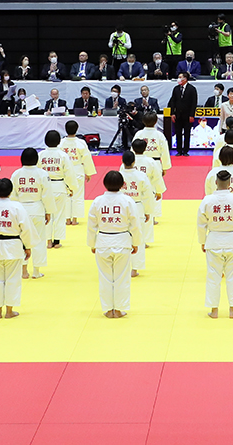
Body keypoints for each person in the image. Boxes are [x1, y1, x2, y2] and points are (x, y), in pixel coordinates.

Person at [0, 178, 38, 319]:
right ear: (11, 191)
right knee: (12, 279)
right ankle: (9, 311)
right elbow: (26, 229)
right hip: (13, 246)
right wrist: (28, 246)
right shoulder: (17, 207)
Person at [88, 170, 143, 318]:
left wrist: (92, 243)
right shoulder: (128, 201)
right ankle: (118, 309)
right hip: (122, 242)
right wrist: (136, 242)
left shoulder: (97, 201)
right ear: (122, 184)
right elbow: (135, 225)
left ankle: (107, 309)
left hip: (103, 242)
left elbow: (91, 225)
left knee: (105, 278)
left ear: (104, 184)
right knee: (121, 277)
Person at [199, 169, 233, 319]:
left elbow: (201, 224)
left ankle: (214, 310)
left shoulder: (207, 201)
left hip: (213, 240)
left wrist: (202, 241)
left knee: (213, 276)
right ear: (229, 184)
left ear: (216, 183)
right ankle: (232, 310)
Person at [12, 148, 57, 279]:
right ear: (37, 160)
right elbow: (47, 195)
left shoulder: (16, 174)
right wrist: (48, 211)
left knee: (21, 240)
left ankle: (24, 270)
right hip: (37, 209)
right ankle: (36, 271)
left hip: (20, 210)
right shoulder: (42, 174)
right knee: (39, 240)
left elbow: (13, 194)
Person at [38, 130, 73, 248]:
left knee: (46, 214)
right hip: (59, 187)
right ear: (59, 142)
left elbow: (36, 172)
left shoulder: (41, 155)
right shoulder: (63, 155)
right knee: (59, 215)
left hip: (45, 188)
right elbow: (69, 173)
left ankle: (48, 241)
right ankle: (57, 241)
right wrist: (71, 187)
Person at [60, 119, 98, 224]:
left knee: (66, 195)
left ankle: (67, 219)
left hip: (64, 171)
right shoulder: (81, 143)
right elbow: (86, 158)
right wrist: (88, 172)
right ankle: (75, 219)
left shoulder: (61, 143)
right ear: (76, 130)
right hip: (77, 170)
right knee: (77, 195)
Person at [169, 72, 198, 156]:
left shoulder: (192, 89)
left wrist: (192, 115)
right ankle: (179, 150)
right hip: (178, 115)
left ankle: (185, 151)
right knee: (178, 133)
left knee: (187, 133)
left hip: (187, 115)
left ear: (185, 79)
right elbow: (173, 101)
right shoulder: (176, 89)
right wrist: (172, 113)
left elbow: (194, 103)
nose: (178, 78)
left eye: (180, 77)